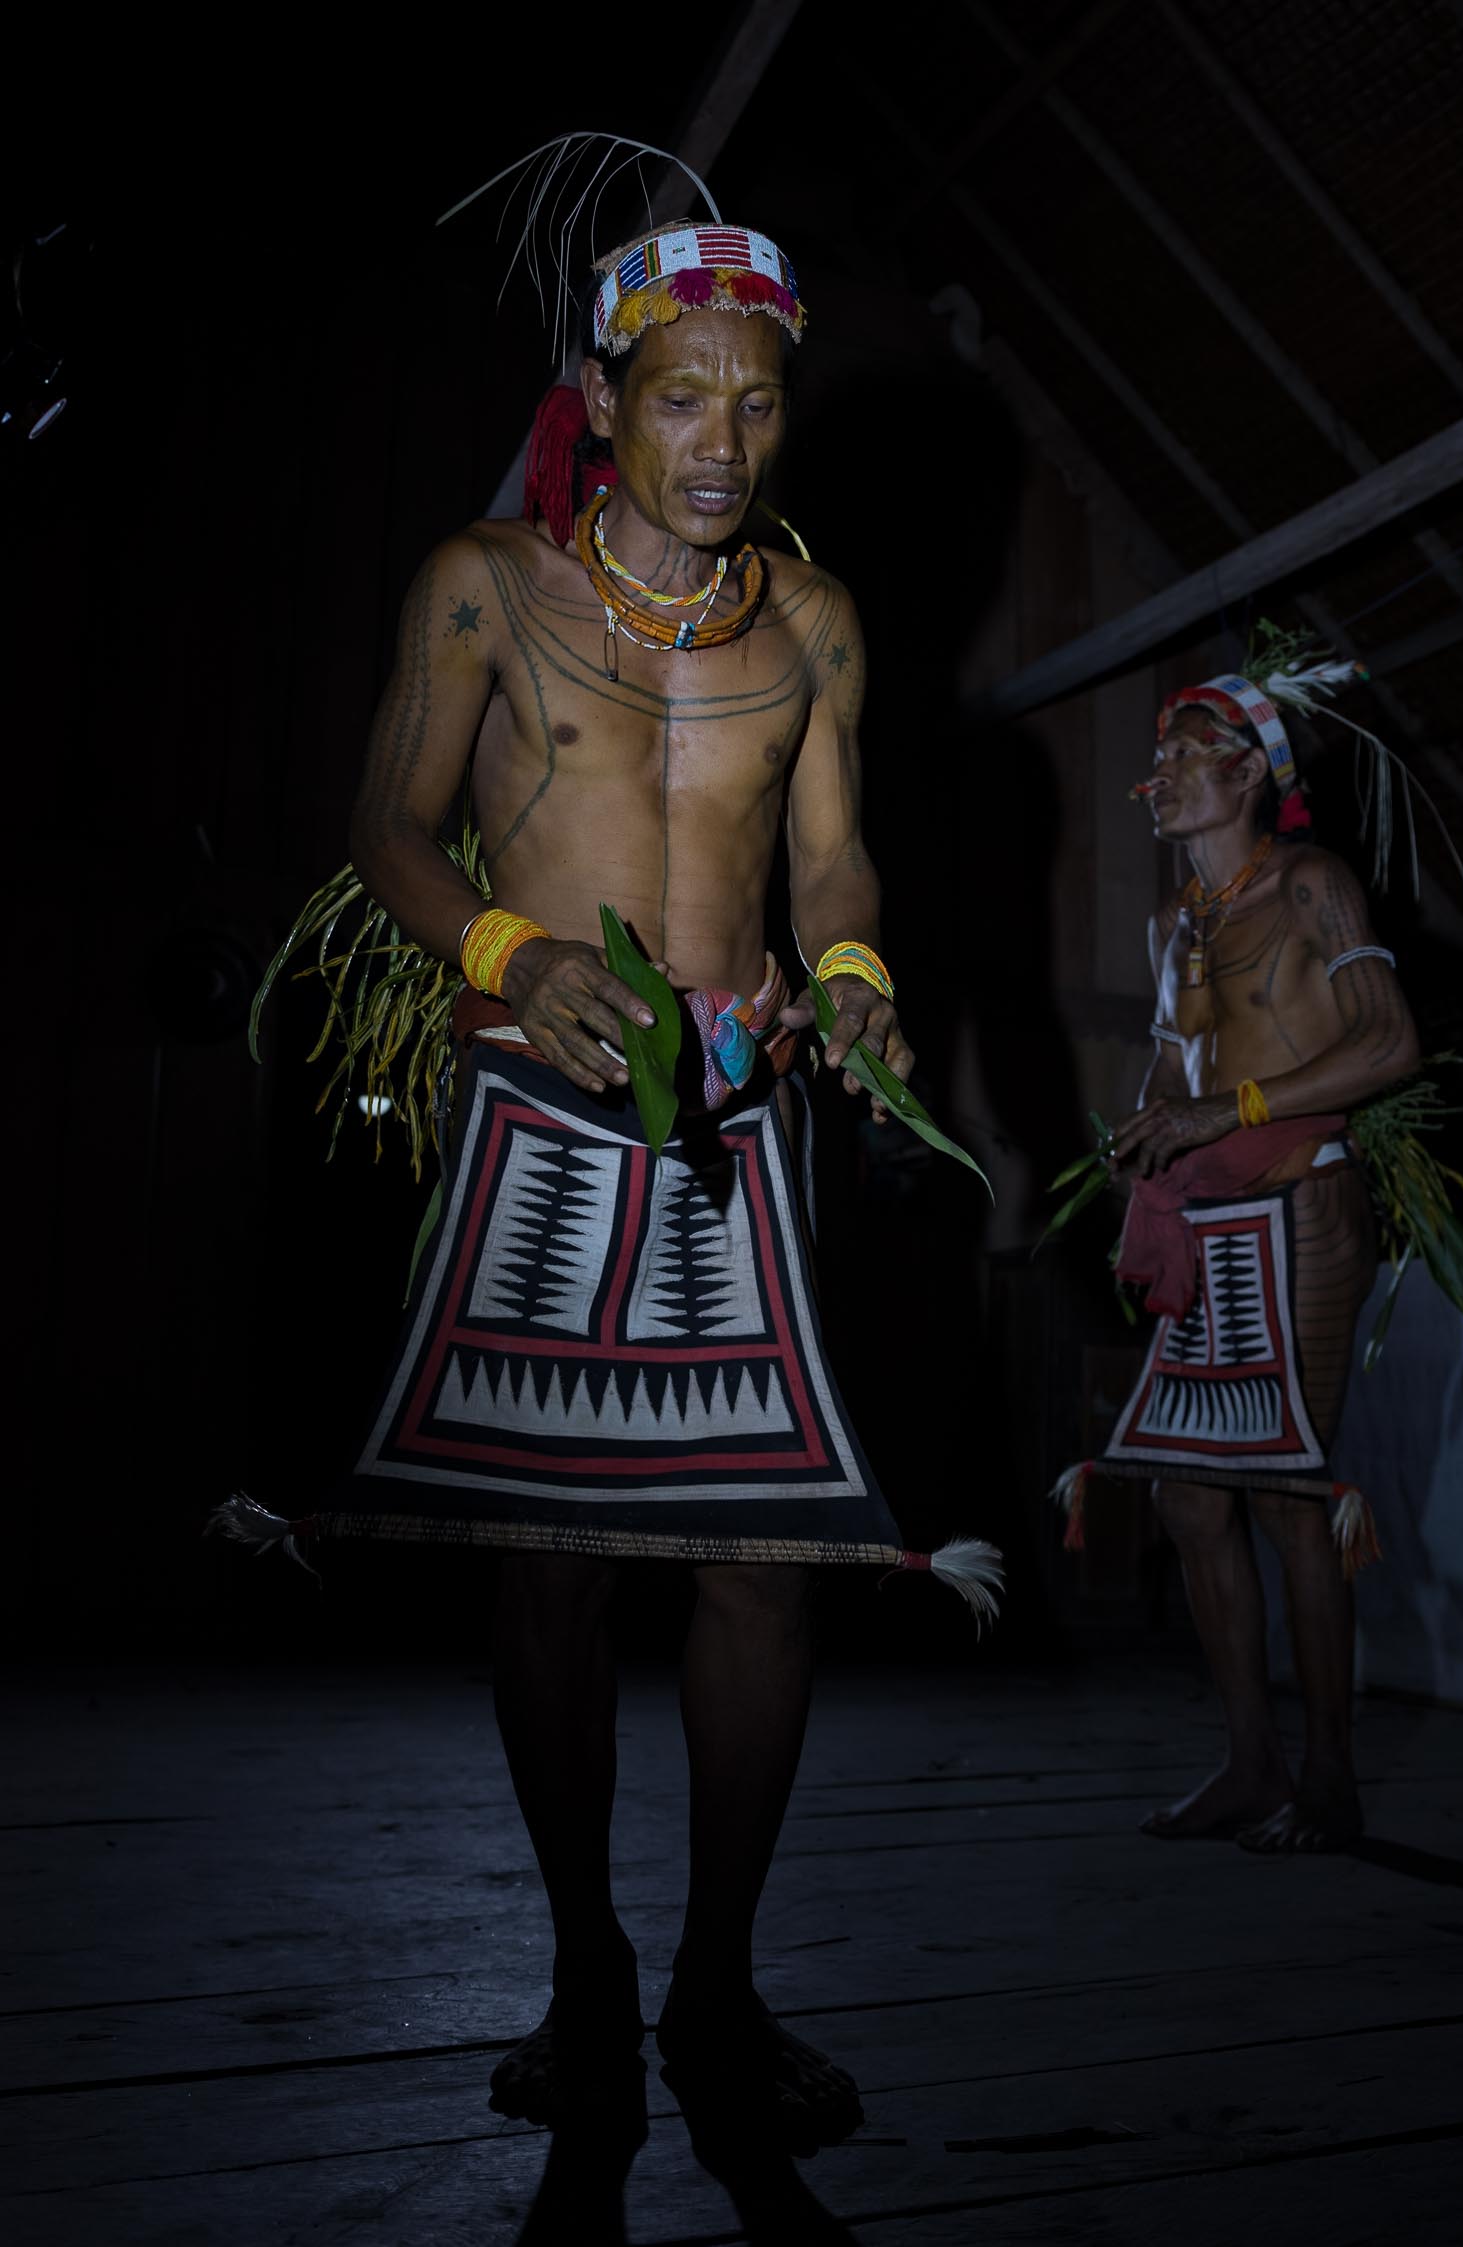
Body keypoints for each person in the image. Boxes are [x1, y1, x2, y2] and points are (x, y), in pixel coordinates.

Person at [275, 213, 1000, 2140]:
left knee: (766, 1575)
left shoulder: (815, 622)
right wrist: (513, 955)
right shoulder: (484, 588)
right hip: (538, 1103)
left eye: (756, 406)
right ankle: (585, 1964)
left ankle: (715, 1986)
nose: (722, 439)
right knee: (556, 1572)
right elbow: (384, 824)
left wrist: (845, 973)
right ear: (599, 402)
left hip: (737, 1125)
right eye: (681, 397)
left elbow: (830, 857)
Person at [1090, 665, 1419, 1854]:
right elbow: (1178, 1070)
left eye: (1182, 759)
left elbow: (1388, 1041)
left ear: (1245, 774)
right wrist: (1145, 1130)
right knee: (1188, 1498)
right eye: (1158, 762)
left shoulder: (1312, 887)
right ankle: (1247, 1763)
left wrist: (1226, 1112)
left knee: (1286, 1497)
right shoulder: (1171, 918)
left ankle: (1327, 1783)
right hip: (1210, 1221)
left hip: (1302, 1209)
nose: (1158, 779)